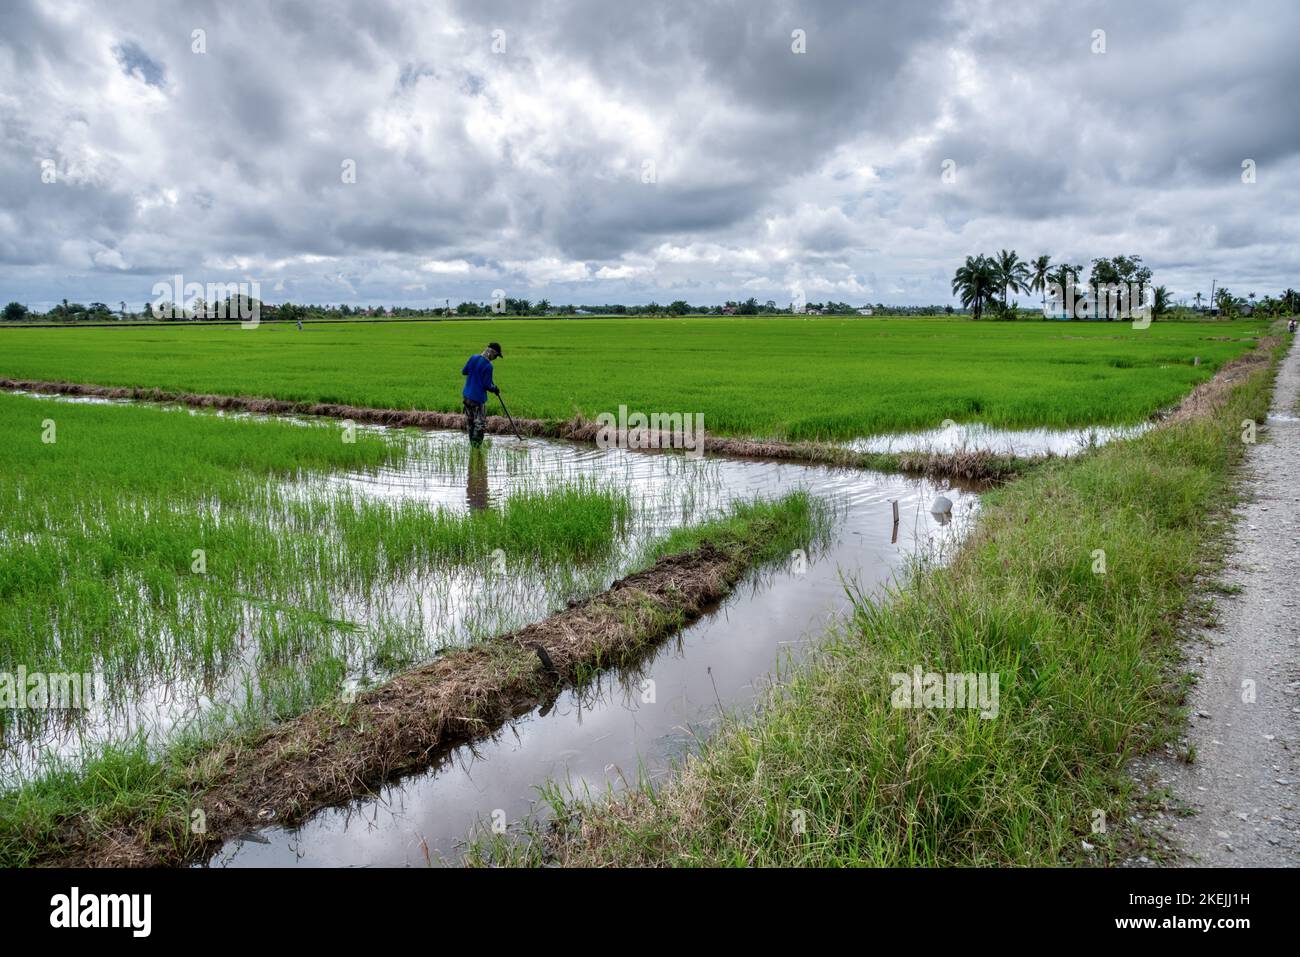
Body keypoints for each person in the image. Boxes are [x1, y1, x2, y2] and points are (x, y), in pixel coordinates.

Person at [461, 342, 502, 445]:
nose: (495, 358)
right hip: (477, 399)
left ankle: (472, 448)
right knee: (479, 425)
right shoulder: (488, 366)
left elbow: (464, 371)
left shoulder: (473, 357)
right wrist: (495, 389)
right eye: (496, 356)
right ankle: (477, 450)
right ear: (492, 353)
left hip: (466, 397)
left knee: (470, 423)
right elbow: (487, 385)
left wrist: (475, 372)